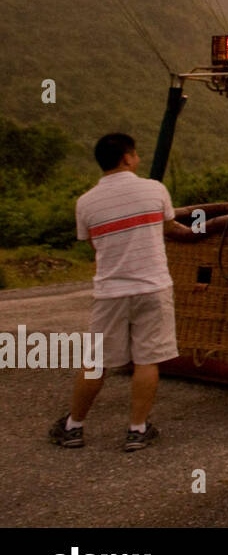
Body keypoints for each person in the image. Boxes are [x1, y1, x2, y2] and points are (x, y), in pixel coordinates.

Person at [50, 134, 183, 452]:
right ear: (127, 158)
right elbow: (169, 226)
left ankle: (74, 426)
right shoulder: (155, 189)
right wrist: (200, 229)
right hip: (153, 288)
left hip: (110, 292)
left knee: (97, 362)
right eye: (135, 154)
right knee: (147, 360)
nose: (137, 158)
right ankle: (137, 430)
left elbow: (95, 244)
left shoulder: (85, 202)